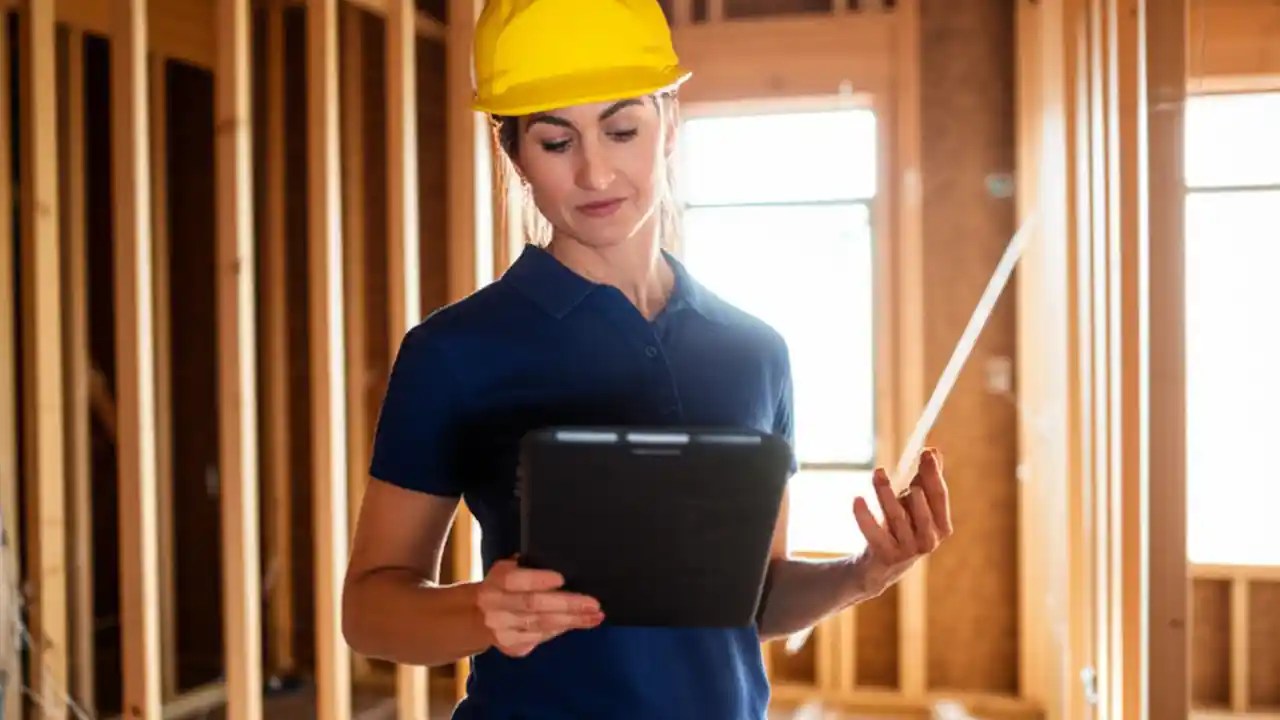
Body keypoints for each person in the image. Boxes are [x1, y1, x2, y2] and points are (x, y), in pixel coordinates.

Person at [341, 0, 954, 717]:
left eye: (622, 130)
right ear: (515, 155)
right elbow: (369, 613)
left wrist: (862, 574)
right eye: (556, 141)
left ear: (669, 123)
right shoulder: (454, 353)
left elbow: (750, 602)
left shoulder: (755, 352)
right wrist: (485, 610)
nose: (596, 173)